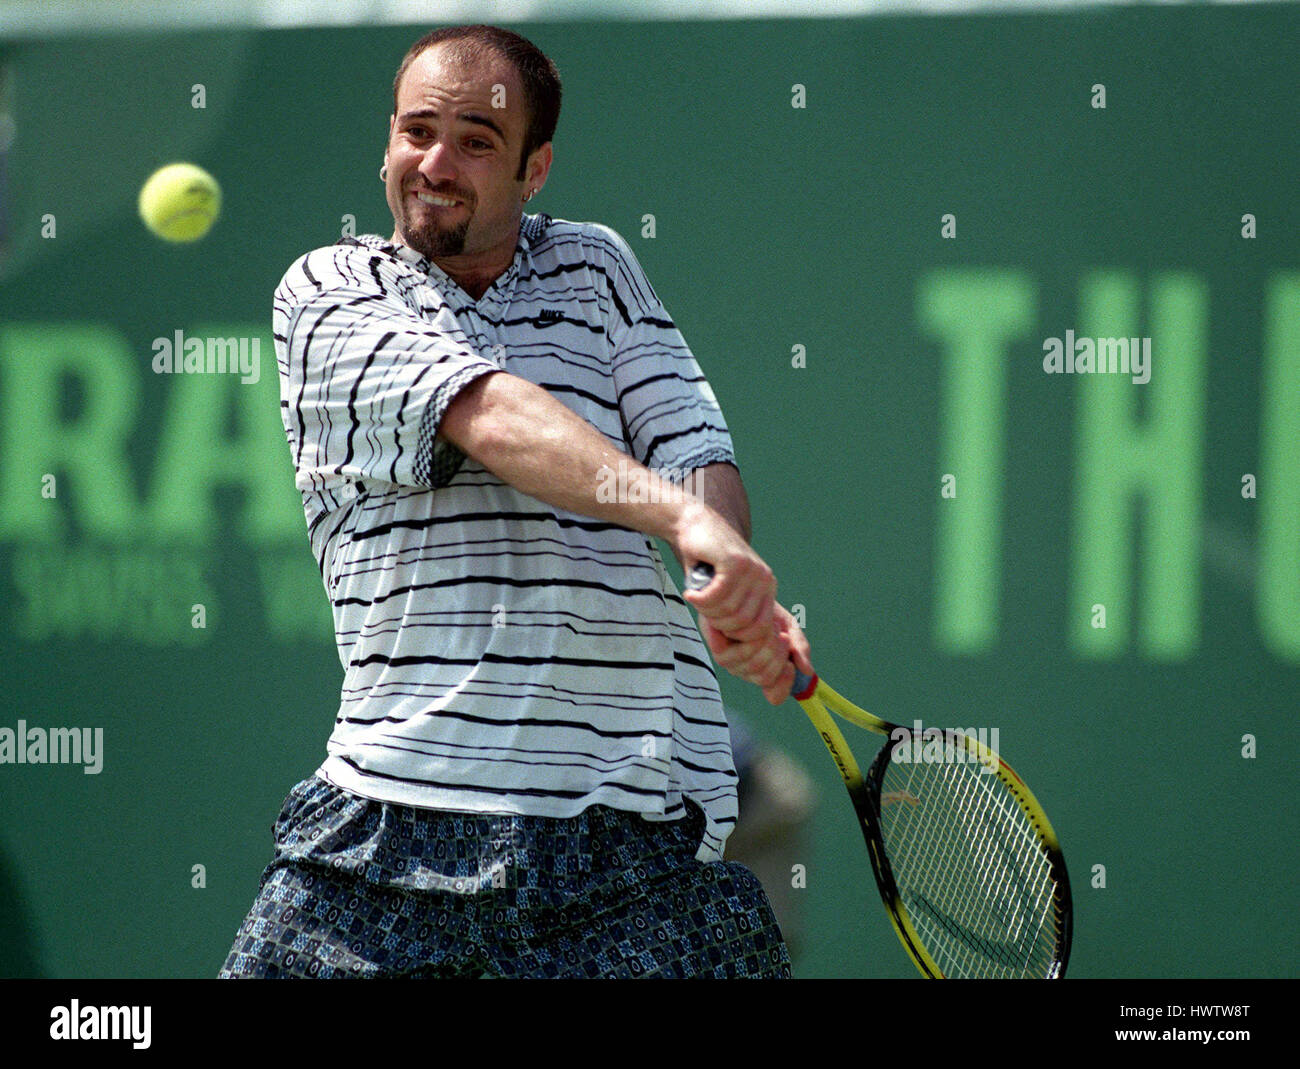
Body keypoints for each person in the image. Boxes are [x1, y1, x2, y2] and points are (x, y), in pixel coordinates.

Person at [219, 23, 812, 979]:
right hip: (391, 837)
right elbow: (492, 416)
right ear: (387, 143)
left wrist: (721, 568)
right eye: (417, 131)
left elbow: (694, 445)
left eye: (477, 139)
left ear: (535, 169)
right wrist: (682, 522)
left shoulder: (598, 267)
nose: (436, 163)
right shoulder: (331, 290)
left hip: (634, 849)